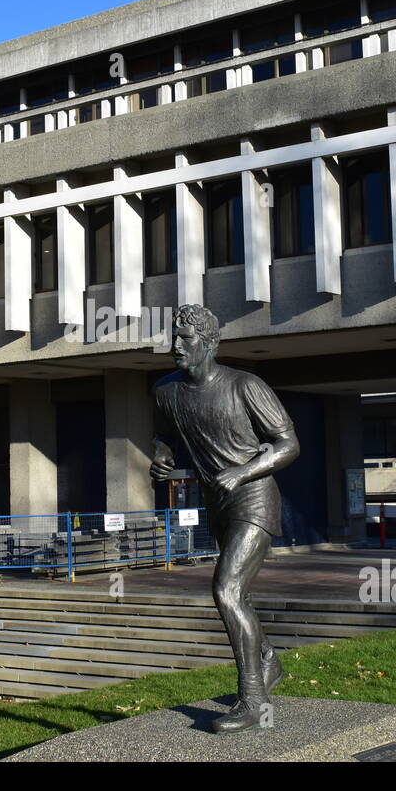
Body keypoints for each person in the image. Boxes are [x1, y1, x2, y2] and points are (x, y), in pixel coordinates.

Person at [150, 304, 299, 733]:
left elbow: (288, 444)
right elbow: (164, 435)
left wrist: (243, 471)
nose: (175, 346)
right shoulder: (166, 391)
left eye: (185, 338)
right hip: (216, 502)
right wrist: (161, 457)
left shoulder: (246, 386)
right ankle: (268, 658)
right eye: (173, 337)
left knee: (227, 589)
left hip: (254, 497)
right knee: (237, 593)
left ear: (210, 342)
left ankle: (252, 699)